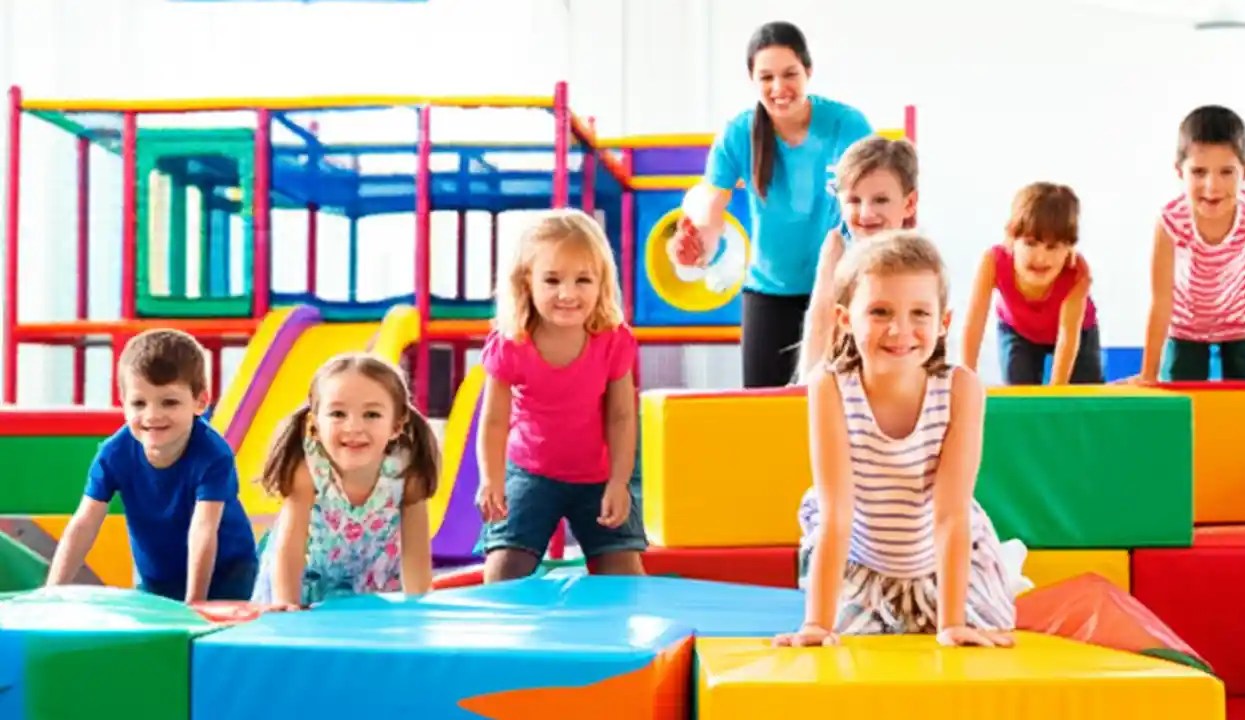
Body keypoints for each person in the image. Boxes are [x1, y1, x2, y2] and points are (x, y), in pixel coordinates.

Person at [774, 231, 1016, 648]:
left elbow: (951, 515)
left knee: (973, 639)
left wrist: (952, 622)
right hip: (866, 566)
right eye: (880, 311)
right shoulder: (831, 387)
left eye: (920, 313)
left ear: (944, 323)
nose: (900, 329)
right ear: (846, 319)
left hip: (946, 564)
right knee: (856, 652)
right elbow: (836, 514)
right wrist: (817, 623)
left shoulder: (961, 390)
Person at [669, 20, 876, 388]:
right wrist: (698, 249)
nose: (779, 88)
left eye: (789, 74)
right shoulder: (738, 134)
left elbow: (872, 203)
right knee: (765, 409)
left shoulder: (847, 125)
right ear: (752, 81)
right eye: (766, 77)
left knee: (840, 404)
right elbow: (710, 213)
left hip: (839, 287)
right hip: (770, 292)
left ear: (808, 71)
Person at [476, 208, 646, 582]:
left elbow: (621, 416)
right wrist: (491, 479)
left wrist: (620, 482)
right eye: (551, 280)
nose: (567, 294)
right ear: (527, 283)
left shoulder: (613, 340)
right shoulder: (512, 343)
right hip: (531, 471)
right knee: (502, 576)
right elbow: (493, 419)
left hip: (599, 474)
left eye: (583, 280)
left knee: (626, 582)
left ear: (601, 282)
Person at [45, 329, 258, 602]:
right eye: (138, 403)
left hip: (227, 572)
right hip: (156, 576)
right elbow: (84, 523)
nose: (152, 415)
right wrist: (51, 593)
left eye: (169, 402)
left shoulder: (213, 455)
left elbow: (203, 529)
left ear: (199, 402)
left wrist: (195, 603)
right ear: (123, 404)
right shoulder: (114, 454)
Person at [252, 352, 439, 608]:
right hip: (304, 583)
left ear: (397, 425)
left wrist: (418, 605)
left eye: (371, 415)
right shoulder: (308, 469)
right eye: (338, 414)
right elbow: (290, 545)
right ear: (315, 423)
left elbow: (416, 552)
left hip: (371, 587)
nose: (354, 427)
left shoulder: (406, 472)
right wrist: (286, 602)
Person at [1136, 105, 1245, 385]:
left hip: (1240, 326)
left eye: (1227, 172)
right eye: (1199, 172)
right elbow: (1161, 299)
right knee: (1181, 398)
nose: (1212, 186)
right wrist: (1148, 373)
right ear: (1180, 172)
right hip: (1186, 325)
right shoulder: (1171, 221)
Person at [796, 135, 919, 379]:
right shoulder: (837, 248)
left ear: (909, 203)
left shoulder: (917, 257)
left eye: (881, 200)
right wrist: (807, 381)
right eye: (854, 200)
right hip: (846, 376)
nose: (866, 213)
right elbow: (820, 319)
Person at [960, 182, 1102, 385]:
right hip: (1018, 330)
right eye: (1030, 243)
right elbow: (974, 323)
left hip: (1077, 333)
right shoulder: (993, 262)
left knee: (1082, 396)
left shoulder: (1077, 274)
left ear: (1069, 249)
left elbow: (1067, 338)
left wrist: (1056, 394)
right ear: (1011, 238)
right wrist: (967, 378)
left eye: (1052, 247)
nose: (1040, 257)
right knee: (1019, 389)